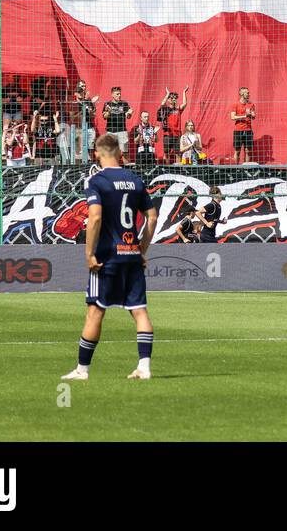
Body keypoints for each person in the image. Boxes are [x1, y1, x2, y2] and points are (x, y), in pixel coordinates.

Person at [60, 133, 158, 382]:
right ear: (120, 153)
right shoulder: (135, 179)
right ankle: (144, 367)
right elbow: (152, 217)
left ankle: (82, 370)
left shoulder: (97, 181)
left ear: (96, 154)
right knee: (139, 310)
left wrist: (89, 253)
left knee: (95, 311)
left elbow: (95, 217)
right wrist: (141, 250)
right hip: (131, 255)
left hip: (107, 258)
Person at [157, 88, 189, 161]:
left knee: (178, 153)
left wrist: (184, 92)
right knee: (167, 153)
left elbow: (184, 104)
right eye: (171, 98)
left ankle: (178, 169)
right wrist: (167, 94)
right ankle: (167, 168)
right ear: (168, 99)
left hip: (177, 134)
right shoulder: (166, 108)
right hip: (168, 134)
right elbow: (162, 103)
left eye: (175, 98)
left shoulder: (178, 109)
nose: (173, 99)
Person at [102, 87, 133, 158]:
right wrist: (109, 111)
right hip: (111, 131)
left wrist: (130, 113)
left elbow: (128, 116)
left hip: (122, 131)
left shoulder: (124, 103)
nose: (119, 95)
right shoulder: (107, 104)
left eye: (120, 94)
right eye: (117, 94)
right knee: (110, 153)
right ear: (112, 94)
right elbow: (105, 117)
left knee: (125, 153)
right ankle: (111, 168)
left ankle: (126, 168)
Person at [231, 87, 256, 164]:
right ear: (242, 94)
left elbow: (254, 117)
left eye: (249, 92)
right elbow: (232, 117)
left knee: (248, 151)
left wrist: (252, 114)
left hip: (248, 130)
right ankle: (236, 169)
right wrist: (244, 116)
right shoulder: (235, 104)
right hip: (238, 130)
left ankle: (246, 169)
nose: (249, 94)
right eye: (247, 93)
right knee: (237, 151)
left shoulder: (251, 104)